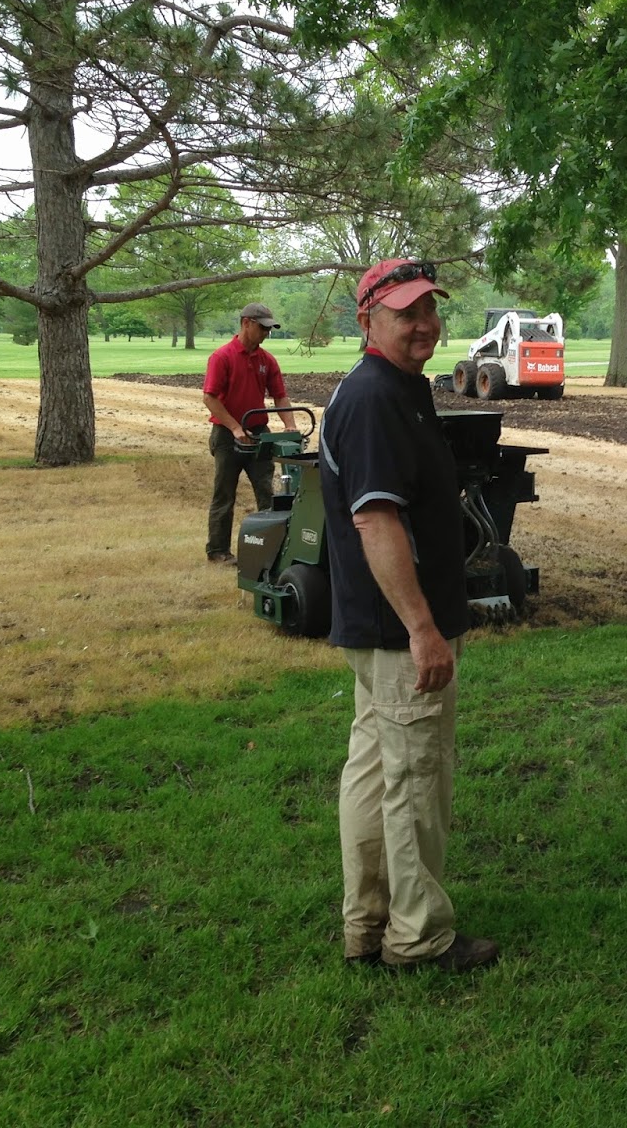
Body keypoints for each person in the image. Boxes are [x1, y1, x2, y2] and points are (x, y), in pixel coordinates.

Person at [317, 258, 499, 973]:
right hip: (398, 630)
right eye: (404, 313)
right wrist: (424, 630)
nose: (423, 324)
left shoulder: (398, 388)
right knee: (415, 778)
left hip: (380, 626)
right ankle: (417, 936)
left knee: (373, 770)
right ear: (366, 321)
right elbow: (378, 525)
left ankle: (367, 922)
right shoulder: (373, 400)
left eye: (430, 309)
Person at [201, 303, 298, 563]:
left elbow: (280, 395)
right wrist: (234, 427)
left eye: (269, 329)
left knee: (266, 490)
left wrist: (290, 425)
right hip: (226, 434)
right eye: (263, 327)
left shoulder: (267, 360)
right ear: (246, 323)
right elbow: (210, 398)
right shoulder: (222, 357)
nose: (267, 333)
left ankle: (272, 547)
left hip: (258, 433)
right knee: (225, 493)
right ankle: (218, 551)